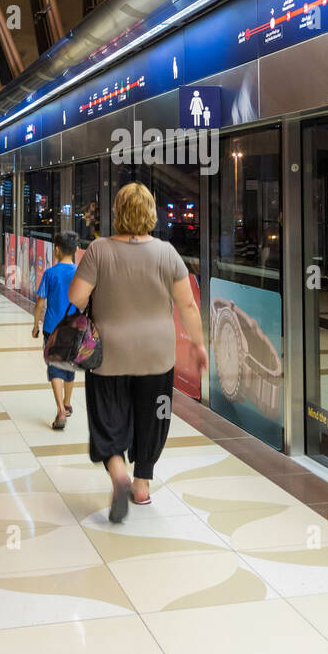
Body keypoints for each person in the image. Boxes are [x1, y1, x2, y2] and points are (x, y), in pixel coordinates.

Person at [67, 182, 207, 524]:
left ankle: (117, 471)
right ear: (150, 213)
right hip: (157, 355)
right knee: (153, 416)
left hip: (109, 353)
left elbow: (76, 297)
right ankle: (142, 483)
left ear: (117, 213)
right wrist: (199, 345)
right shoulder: (167, 252)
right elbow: (187, 303)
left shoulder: (99, 250)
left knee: (107, 415)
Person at [32, 231, 79, 429]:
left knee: (54, 367)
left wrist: (36, 324)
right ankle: (67, 403)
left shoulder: (50, 273)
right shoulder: (80, 273)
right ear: (75, 250)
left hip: (52, 328)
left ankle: (60, 408)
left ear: (57, 250)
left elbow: (40, 301)